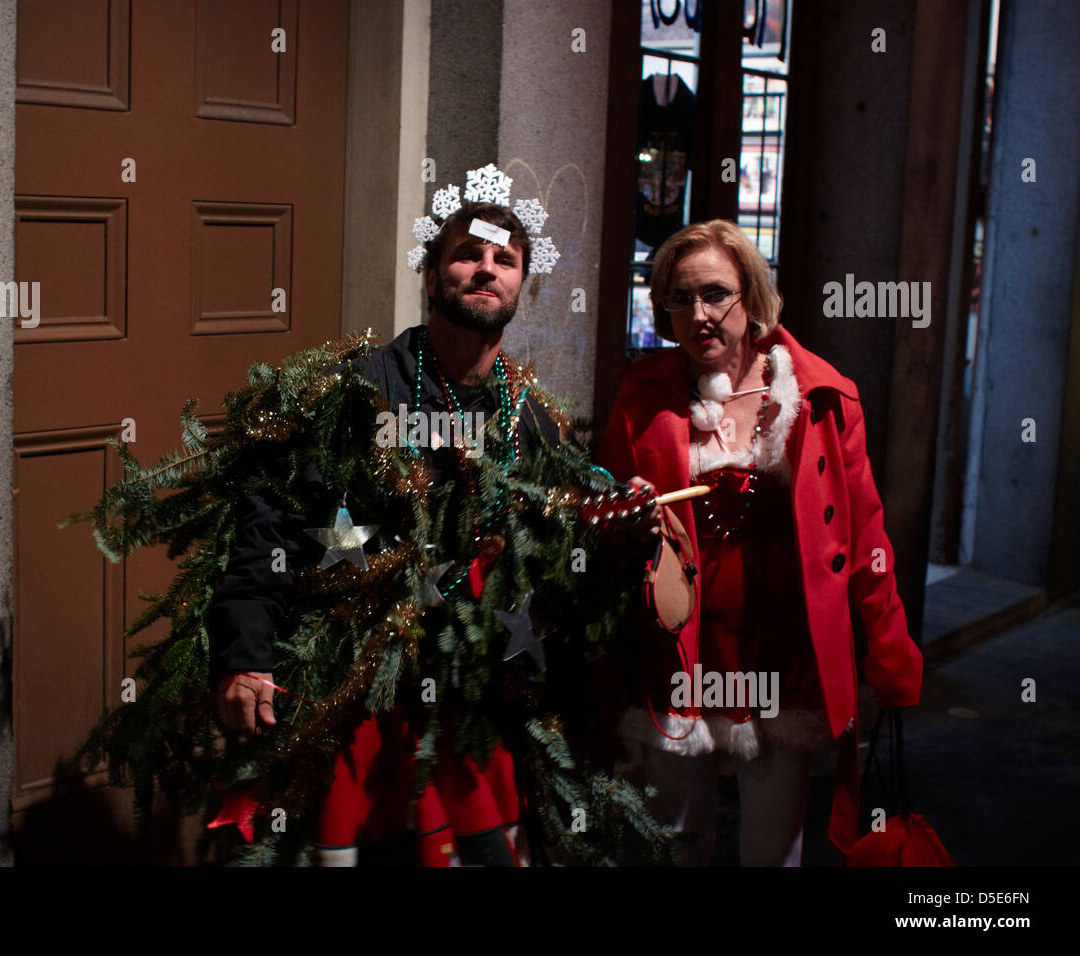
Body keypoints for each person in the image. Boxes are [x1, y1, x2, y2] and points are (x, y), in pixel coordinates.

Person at [207, 189, 660, 865]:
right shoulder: (358, 392)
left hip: (480, 709)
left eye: (504, 259)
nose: (486, 269)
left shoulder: (529, 419)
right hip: (360, 701)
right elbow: (272, 526)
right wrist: (245, 653)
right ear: (430, 275)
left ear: (521, 287)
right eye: (468, 254)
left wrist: (624, 525)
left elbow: (564, 552)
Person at [596, 219, 923, 865]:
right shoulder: (641, 397)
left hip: (780, 658)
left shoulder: (823, 397)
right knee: (675, 847)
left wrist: (890, 652)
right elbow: (604, 520)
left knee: (774, 853)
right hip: (679, 655)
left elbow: (864, 541)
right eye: (679, 298)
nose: (699, 314)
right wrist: (623, 517)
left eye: (715, 293)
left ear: (751, 295)